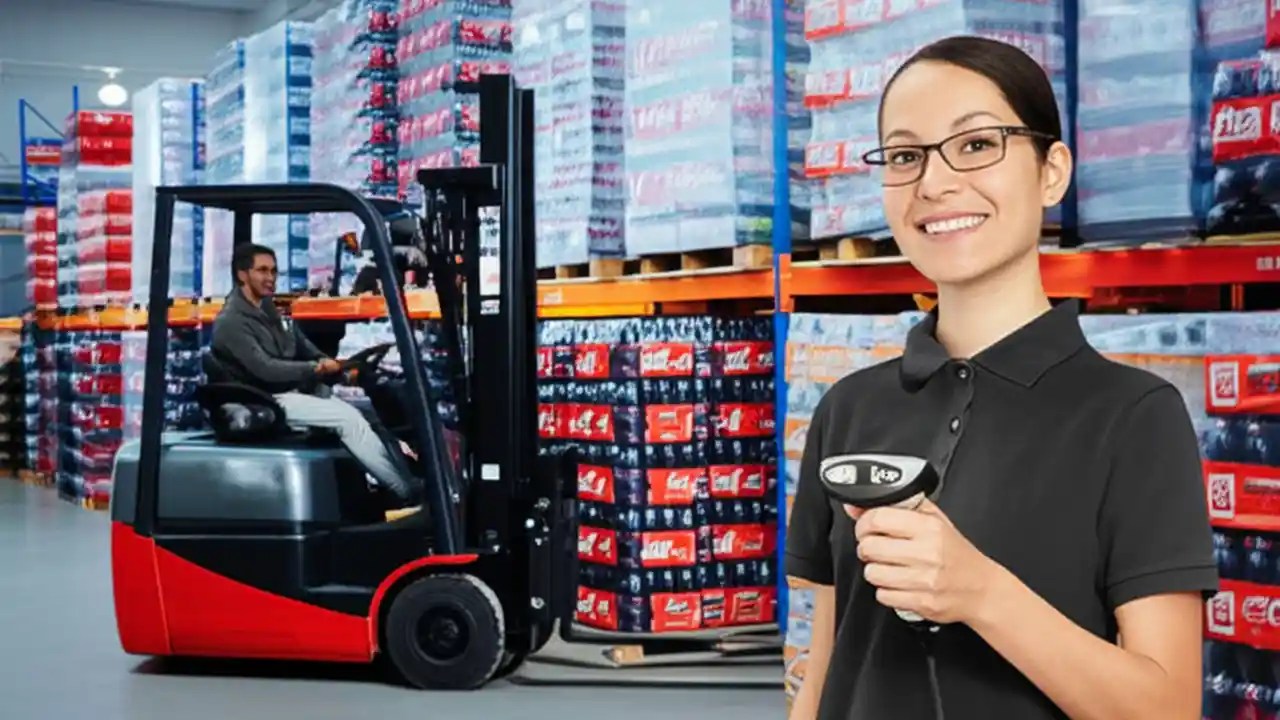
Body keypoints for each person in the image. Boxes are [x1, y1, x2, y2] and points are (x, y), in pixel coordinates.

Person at [785, 36, 1216, 720]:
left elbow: (1165, 707)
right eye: (905, 155)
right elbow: (825, 672)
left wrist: (979, 592)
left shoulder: (1132, 416)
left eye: (977, 144)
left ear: (1052, 171)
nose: (933, 182)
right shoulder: (849, 409)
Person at [210, 242, 417, 503]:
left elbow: (304, 348)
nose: (270, 278)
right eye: (262, 270)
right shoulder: (232, 322)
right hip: (264, 397)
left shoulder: (271, 311)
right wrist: (315, 369)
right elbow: (266, 370)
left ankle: (404, 480)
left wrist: (337, 368)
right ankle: (405, 493)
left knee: (369, 416)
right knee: (348, 419)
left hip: (286, 392)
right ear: (242, 274)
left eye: (274, 271)